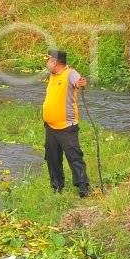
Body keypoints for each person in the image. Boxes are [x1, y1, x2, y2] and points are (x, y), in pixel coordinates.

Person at [42, 49, 91, 197]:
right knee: (52, 158)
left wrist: (82, 84)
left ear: (55, 62)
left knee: (74, 157)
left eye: (48, 60)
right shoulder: (53, 75)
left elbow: (79, 83)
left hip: (66, 126)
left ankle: (83, 187)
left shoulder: (70, 73)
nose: (47, 63)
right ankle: (57, 187)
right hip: (50, 126)